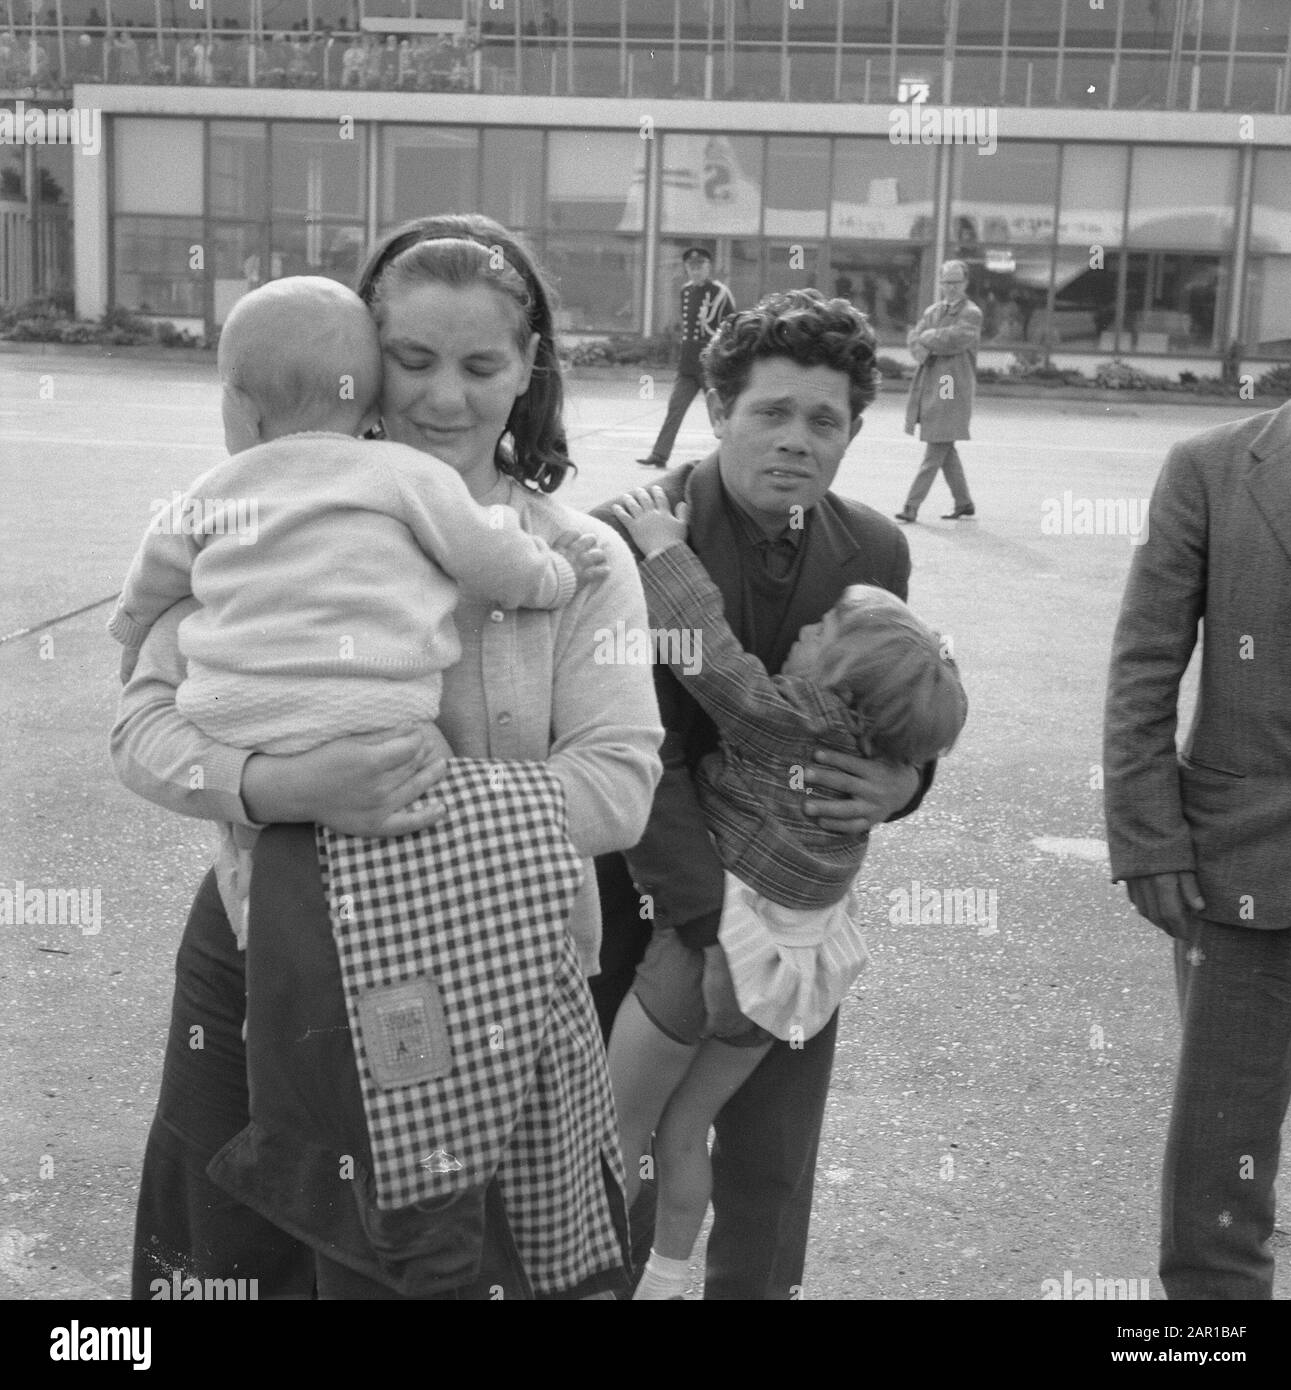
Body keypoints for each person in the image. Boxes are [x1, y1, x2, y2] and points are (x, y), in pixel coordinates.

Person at [111, 214, 663, 1300]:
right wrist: (275, 787)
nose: (442, 398)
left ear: (528, 370)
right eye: (410, 360)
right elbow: (142, 730)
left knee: (433, 1276)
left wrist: (403, 819)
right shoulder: (258, 519)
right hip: (268, 960)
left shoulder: (576, 559)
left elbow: (621, 784)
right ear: (360, 365)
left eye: (480, 364)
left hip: (491, 982)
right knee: (228, 1269)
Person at [591, 288, 935, 1300]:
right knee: (626, 1145)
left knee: (773, 1165)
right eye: (770, 412)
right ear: (717, 410)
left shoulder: (877, 550)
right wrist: (703, 925)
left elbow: (894, 704)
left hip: (794, 915)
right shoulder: (626, 535)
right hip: (653, 906)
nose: (796, 440)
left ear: (854, 431)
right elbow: (628, 746)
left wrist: (902, 781)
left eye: (823, 420)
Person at [108, 273, 603, 945]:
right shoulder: (405, 475)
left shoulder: (216, 490)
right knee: (416, 790)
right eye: (413, 360)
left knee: (270, 874)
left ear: (245, 410)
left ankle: (275, 970)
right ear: (372, 403)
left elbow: (154, 571)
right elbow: (494, 557)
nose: (444, 393)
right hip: (380, 725)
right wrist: (558, 575)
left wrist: (131, 632)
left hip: (239, 721)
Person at [1103, 393, 1291, 1300]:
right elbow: (1146, 660)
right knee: (1219, 1197)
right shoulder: (1213, 467)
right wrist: (1149, 837)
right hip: (1243, 875)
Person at [896, 259, 981, 523]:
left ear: (965, 283)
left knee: (936, 447)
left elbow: (955, 339)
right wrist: (926, 343)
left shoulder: (971, 313)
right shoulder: (933, 310)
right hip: (932, 383)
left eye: (956, 282)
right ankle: (964, 502)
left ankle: (911, 506)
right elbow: (915, 337)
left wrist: (927, 338)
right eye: (946, 282)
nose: (951, 287)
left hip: (950, 386)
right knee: (944, 446)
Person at [636, 247, 735, 471]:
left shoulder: (720, 293)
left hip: (711, 363)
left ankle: (732, 456)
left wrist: (724, 358)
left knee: (720, 411)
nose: (695, 271)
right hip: (689, 364)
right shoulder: (686, 291)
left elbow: (730, 327)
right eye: (691, 266)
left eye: (700, 266)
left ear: (708, 267)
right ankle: (659, 454)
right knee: (675, 408)